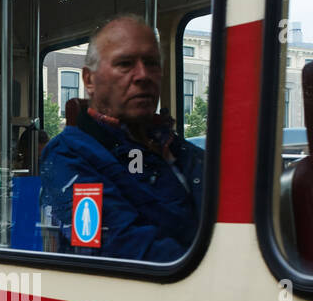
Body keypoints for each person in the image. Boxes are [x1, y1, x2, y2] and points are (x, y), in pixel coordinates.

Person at [40, 15, 203, 261]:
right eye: (125, 64)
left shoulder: (177, 147)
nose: (143, 75)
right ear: (89, 80)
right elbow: (128, 251)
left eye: (152, 63)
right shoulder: (68, 156)